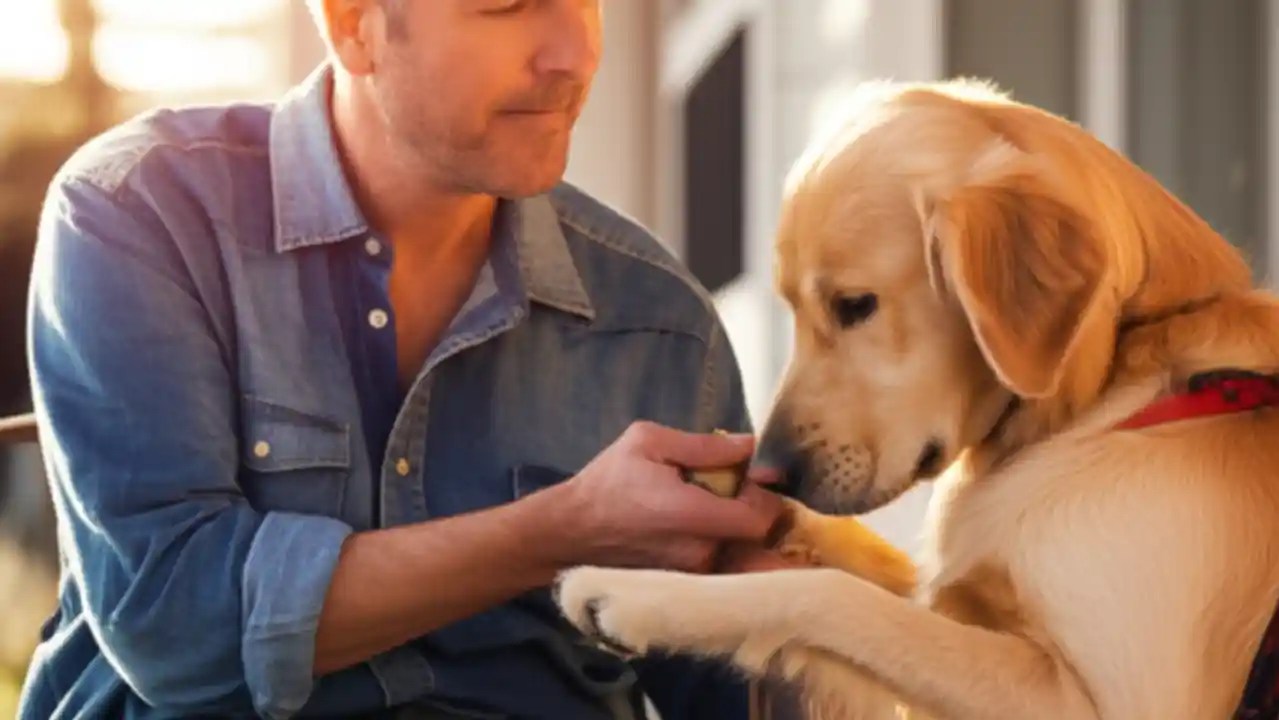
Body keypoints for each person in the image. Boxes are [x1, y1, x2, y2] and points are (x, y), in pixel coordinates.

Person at [17, 1, 796, 718]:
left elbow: (738, 691)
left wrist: (801, 619)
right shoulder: (140, 213)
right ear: (355, 22)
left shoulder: (660, 324)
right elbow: (173, 625)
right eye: (508, 4)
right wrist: (564, 531)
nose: (573, 54)